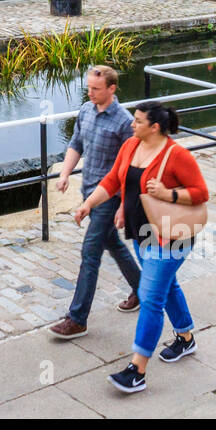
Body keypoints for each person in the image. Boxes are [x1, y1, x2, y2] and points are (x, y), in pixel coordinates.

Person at [73, 102, 209, 394]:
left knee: (149, 298)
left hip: (172, 238)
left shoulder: (177, 156)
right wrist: (88, 204)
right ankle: (186, 339)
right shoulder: (131, 146)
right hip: (141, 235)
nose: (132, 125)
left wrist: (168, 193)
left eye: (137, 121)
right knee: (166, 287)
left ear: (154, 127)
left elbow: (201, 192)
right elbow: (112, 181)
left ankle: (137, 370)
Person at [48, 66, 141, 340]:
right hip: (89, 192)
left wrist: (124, 205)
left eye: (96, 89)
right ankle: (144, 290)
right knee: (111, 243)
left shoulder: (125, 122)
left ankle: (77, 319)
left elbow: (129, 168)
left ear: (111, 89)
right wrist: (65, 174)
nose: (90, 93)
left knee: (90, 251)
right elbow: (76, 144)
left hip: (109, 198)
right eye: (88, 88)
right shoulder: (87, 110)